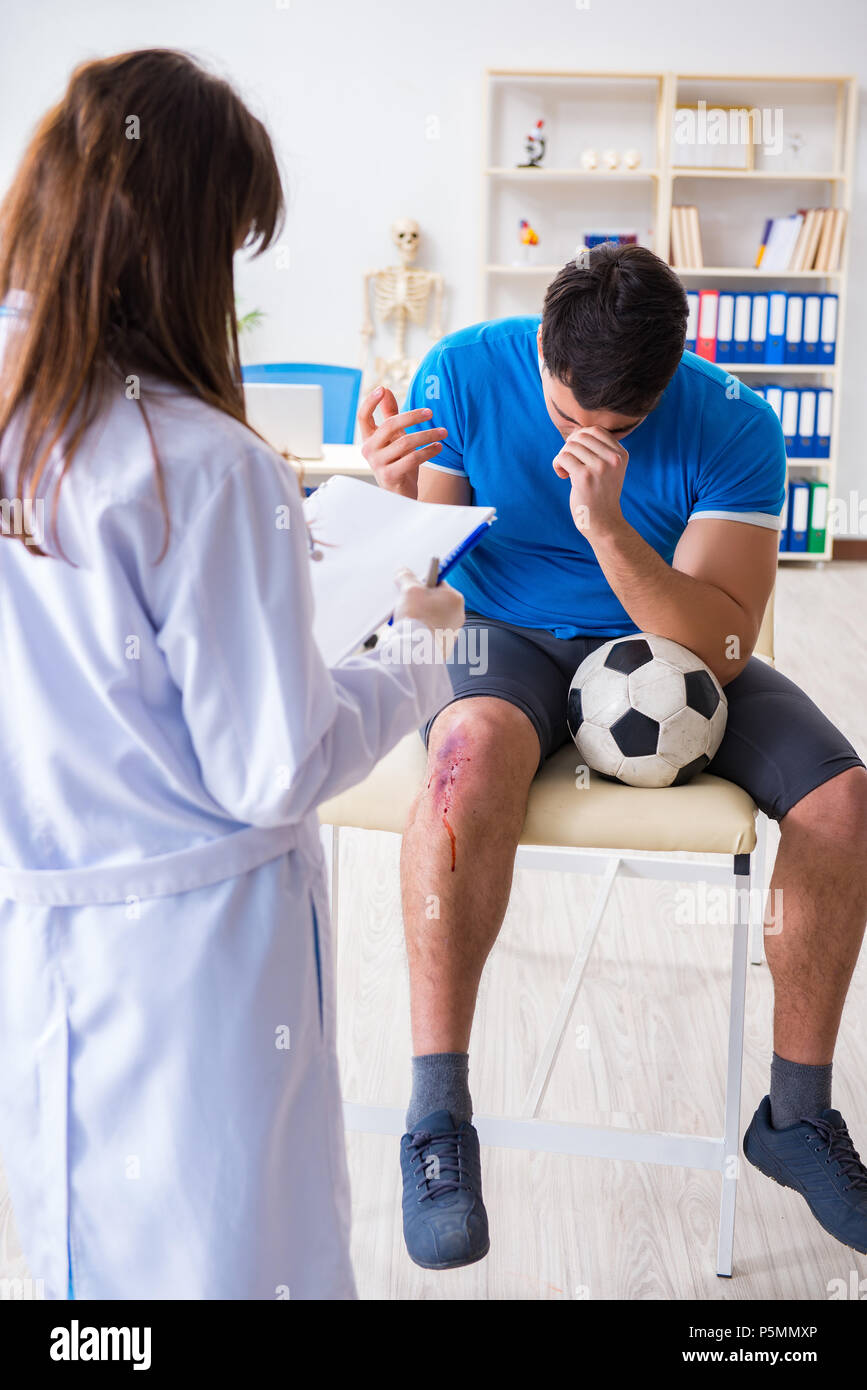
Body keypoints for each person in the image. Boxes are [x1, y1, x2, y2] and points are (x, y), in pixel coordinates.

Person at [0, 48, 464, 1300]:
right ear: (182, 242)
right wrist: (420, 655)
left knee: (85, 1275)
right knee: (224, 1260)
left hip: (40, 938)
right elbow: (272, 765)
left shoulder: (26, 419)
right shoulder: (200, 464)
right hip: (196, 961)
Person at [359, 242, 867, 1270]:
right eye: (562, 415)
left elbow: (722, 647)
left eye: (616, 430)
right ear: (543, 346)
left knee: (843, 800)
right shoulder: (460, 370)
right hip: (495, 629)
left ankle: (797, 1117)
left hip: (667, 649)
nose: (580, 442)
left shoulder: (736, 423)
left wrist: (607, 531)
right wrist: (395, 499)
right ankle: (438, 1115)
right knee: (468, 755)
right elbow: (423, 590)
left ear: (665, 384)